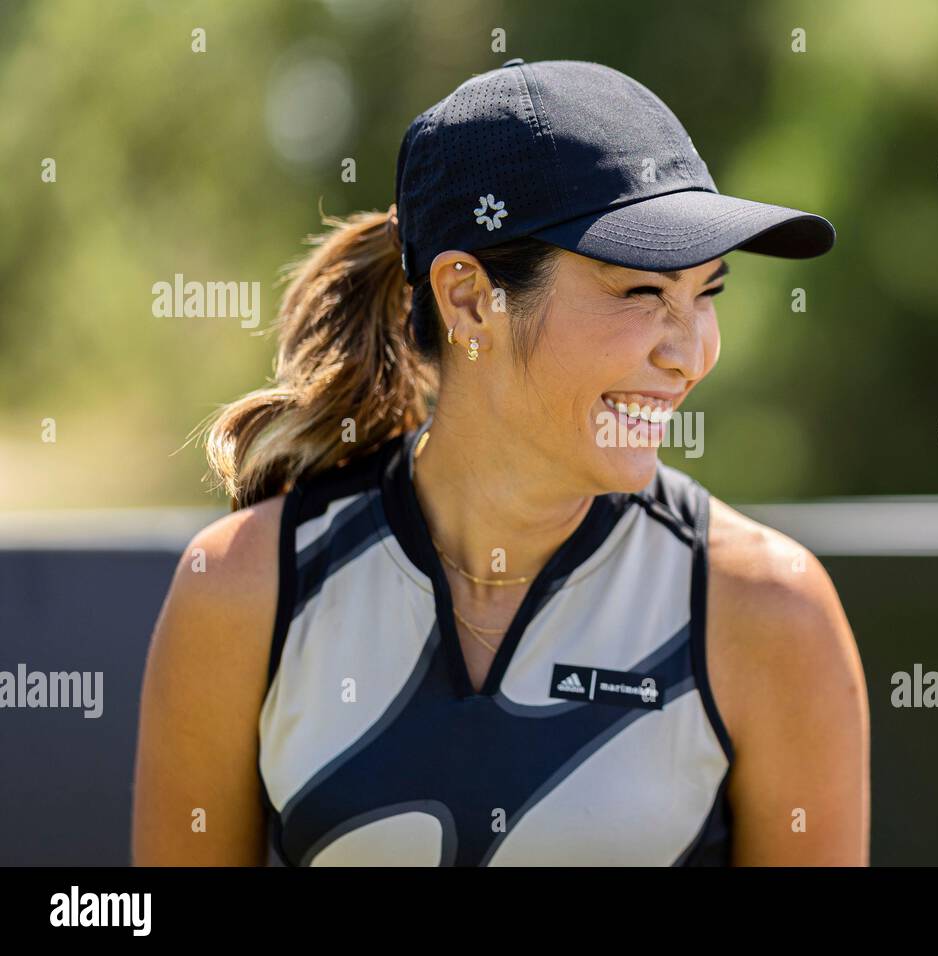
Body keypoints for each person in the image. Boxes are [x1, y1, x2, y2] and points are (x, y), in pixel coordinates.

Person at [132, 58, 868, 866]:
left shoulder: (769, 609)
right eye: (642, 293)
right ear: (469, 298)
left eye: (707, 294)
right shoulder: (243, 592)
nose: (692, 354)